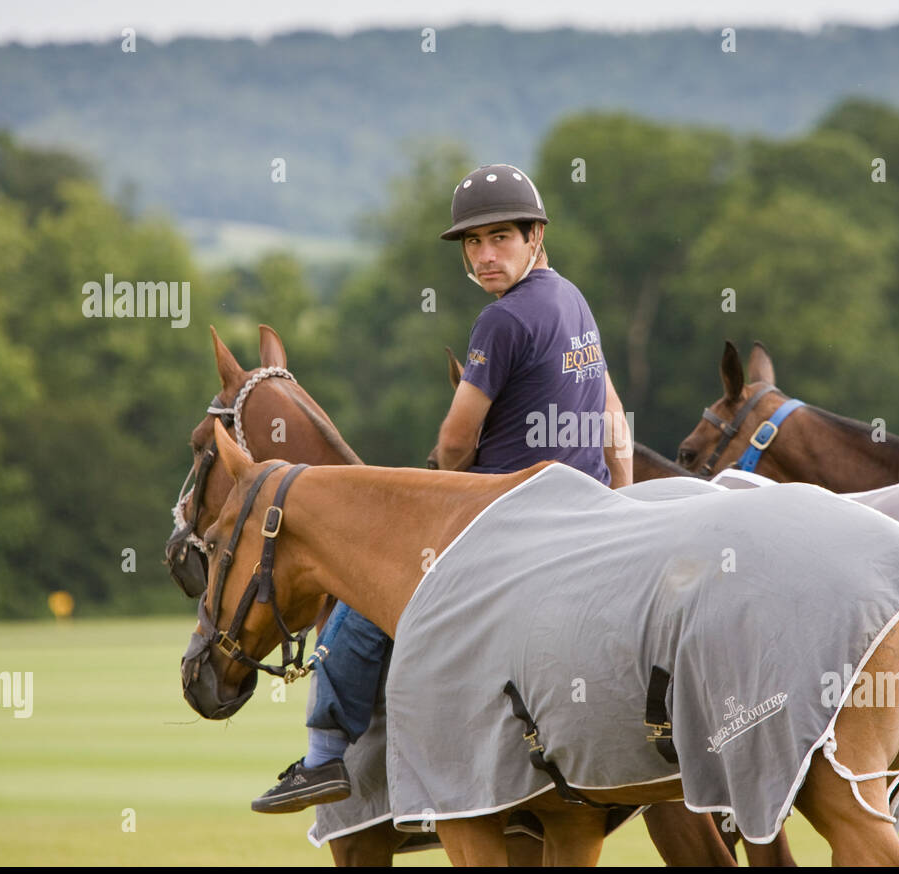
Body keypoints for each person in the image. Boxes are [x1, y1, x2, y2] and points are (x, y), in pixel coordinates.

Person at [252, 163, 631, 812]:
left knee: (359, 600)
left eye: (501, 238)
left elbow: (456, 440)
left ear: (536, 234)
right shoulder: (575, 300)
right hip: (583, 506)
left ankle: (322, 759)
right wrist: (618, 495)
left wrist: (433, 493)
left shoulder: (501, 323)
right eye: (473, 244)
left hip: (505, 521)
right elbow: (615, 425)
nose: (485, 256)